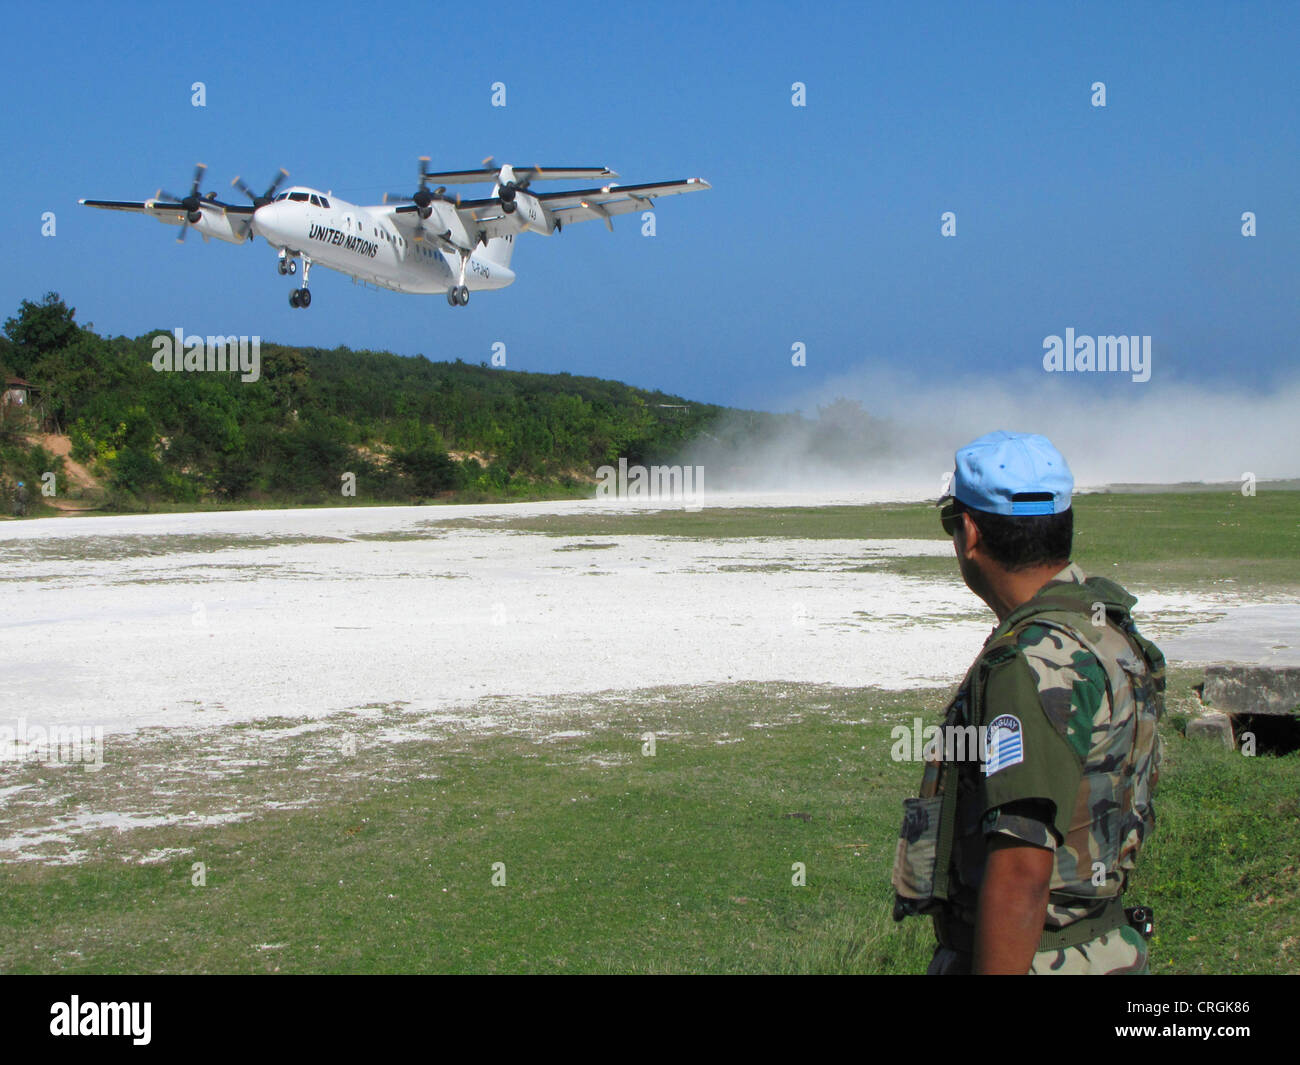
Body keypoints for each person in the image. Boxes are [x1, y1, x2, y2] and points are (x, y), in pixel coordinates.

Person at [891, 431, 1164, 974]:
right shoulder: (1099, 625)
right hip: (1103, 948)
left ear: (968, 532)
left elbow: (1021, 867)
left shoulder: (1029, 664)